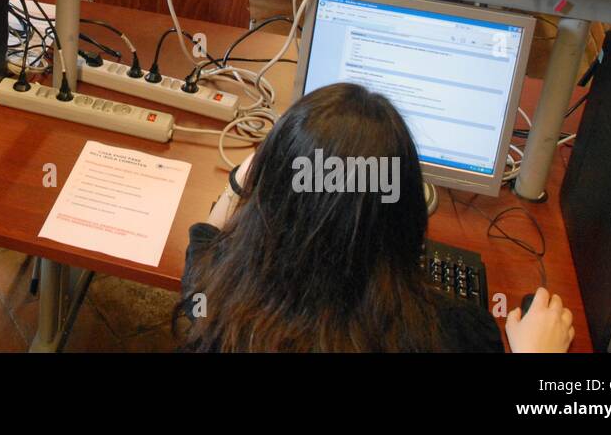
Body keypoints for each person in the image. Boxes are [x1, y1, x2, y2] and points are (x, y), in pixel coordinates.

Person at [178, 83, 575, 353]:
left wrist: (241, 182)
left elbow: (205, 242)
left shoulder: (215, 299)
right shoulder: (451, 335)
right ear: (406, 214)